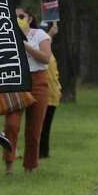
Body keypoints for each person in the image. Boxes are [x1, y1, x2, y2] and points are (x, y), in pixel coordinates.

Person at [3, 8, 52, 173]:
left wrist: (24, 45)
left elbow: (46, 58)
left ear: (30, 18)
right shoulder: (6, 35)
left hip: (38, 81)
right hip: (16, 81)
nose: (18, 19)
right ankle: (8, 164)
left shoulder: (39, 35)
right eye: (15, 16)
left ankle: (30, 166)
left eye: (21, 16)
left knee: (34, 129)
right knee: (11, 125)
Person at [39, 20, 61, 159]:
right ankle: (41, 152)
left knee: (46, 124)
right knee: (42, 125)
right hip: (45, 94)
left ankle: (43, 151)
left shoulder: (47, 49)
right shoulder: (41, 50)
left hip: (52, 94)